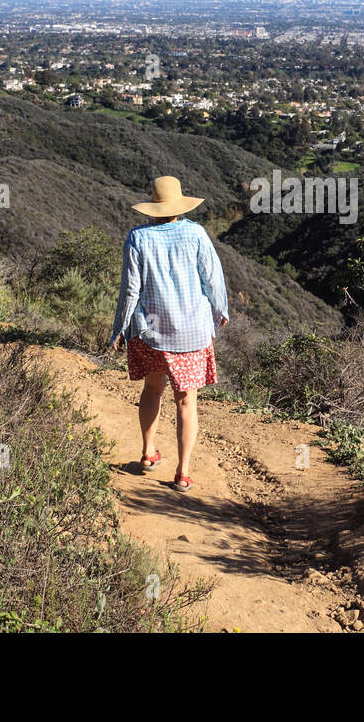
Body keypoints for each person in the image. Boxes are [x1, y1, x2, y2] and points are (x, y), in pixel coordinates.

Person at [110, 176, 229, 492]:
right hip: (191, 333)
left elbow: (130, 290)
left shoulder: (138, 237)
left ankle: (148, 454)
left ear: (152, 207)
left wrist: (119, 327)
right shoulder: (195, 234)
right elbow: (213, 280)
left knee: (152, 390)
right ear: (179, 206)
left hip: (150, 333)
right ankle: (183, 472)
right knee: (186, 401)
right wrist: (220, 312)